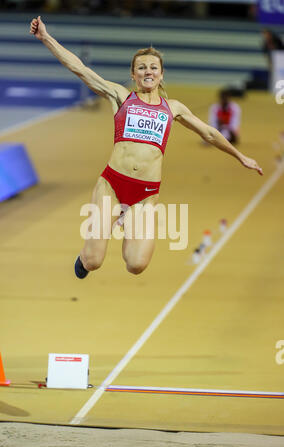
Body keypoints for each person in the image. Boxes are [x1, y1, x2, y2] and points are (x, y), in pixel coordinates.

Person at [30, 16, 263, 280]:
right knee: (94, 261)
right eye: (141, 68)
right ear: (133, 74)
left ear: (161, 74)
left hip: (145, 194)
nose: (147, 72)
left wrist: (240, 156)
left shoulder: (172, 108)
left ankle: (126, 220)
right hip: (112, 184)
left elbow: (209, 133)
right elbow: (81, 69)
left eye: (153, 67)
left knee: (136, 265)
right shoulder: (121, 96)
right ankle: (86, 255)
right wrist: (46, 38)